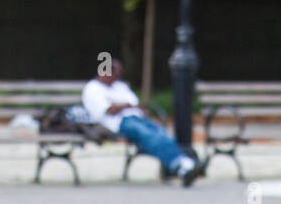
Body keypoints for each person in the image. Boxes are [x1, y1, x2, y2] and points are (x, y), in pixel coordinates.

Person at [81, 56, 204, 186]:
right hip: (119, 123)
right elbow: (109, 110)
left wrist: (123, 106)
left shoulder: (119, 85)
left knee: (161, 133)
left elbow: (134, 104)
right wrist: (125, 106)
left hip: (137, 118)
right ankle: (181, 166)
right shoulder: (92, 88)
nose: (117, 77)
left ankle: (184, 165)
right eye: (115, 74)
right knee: (149, 136)